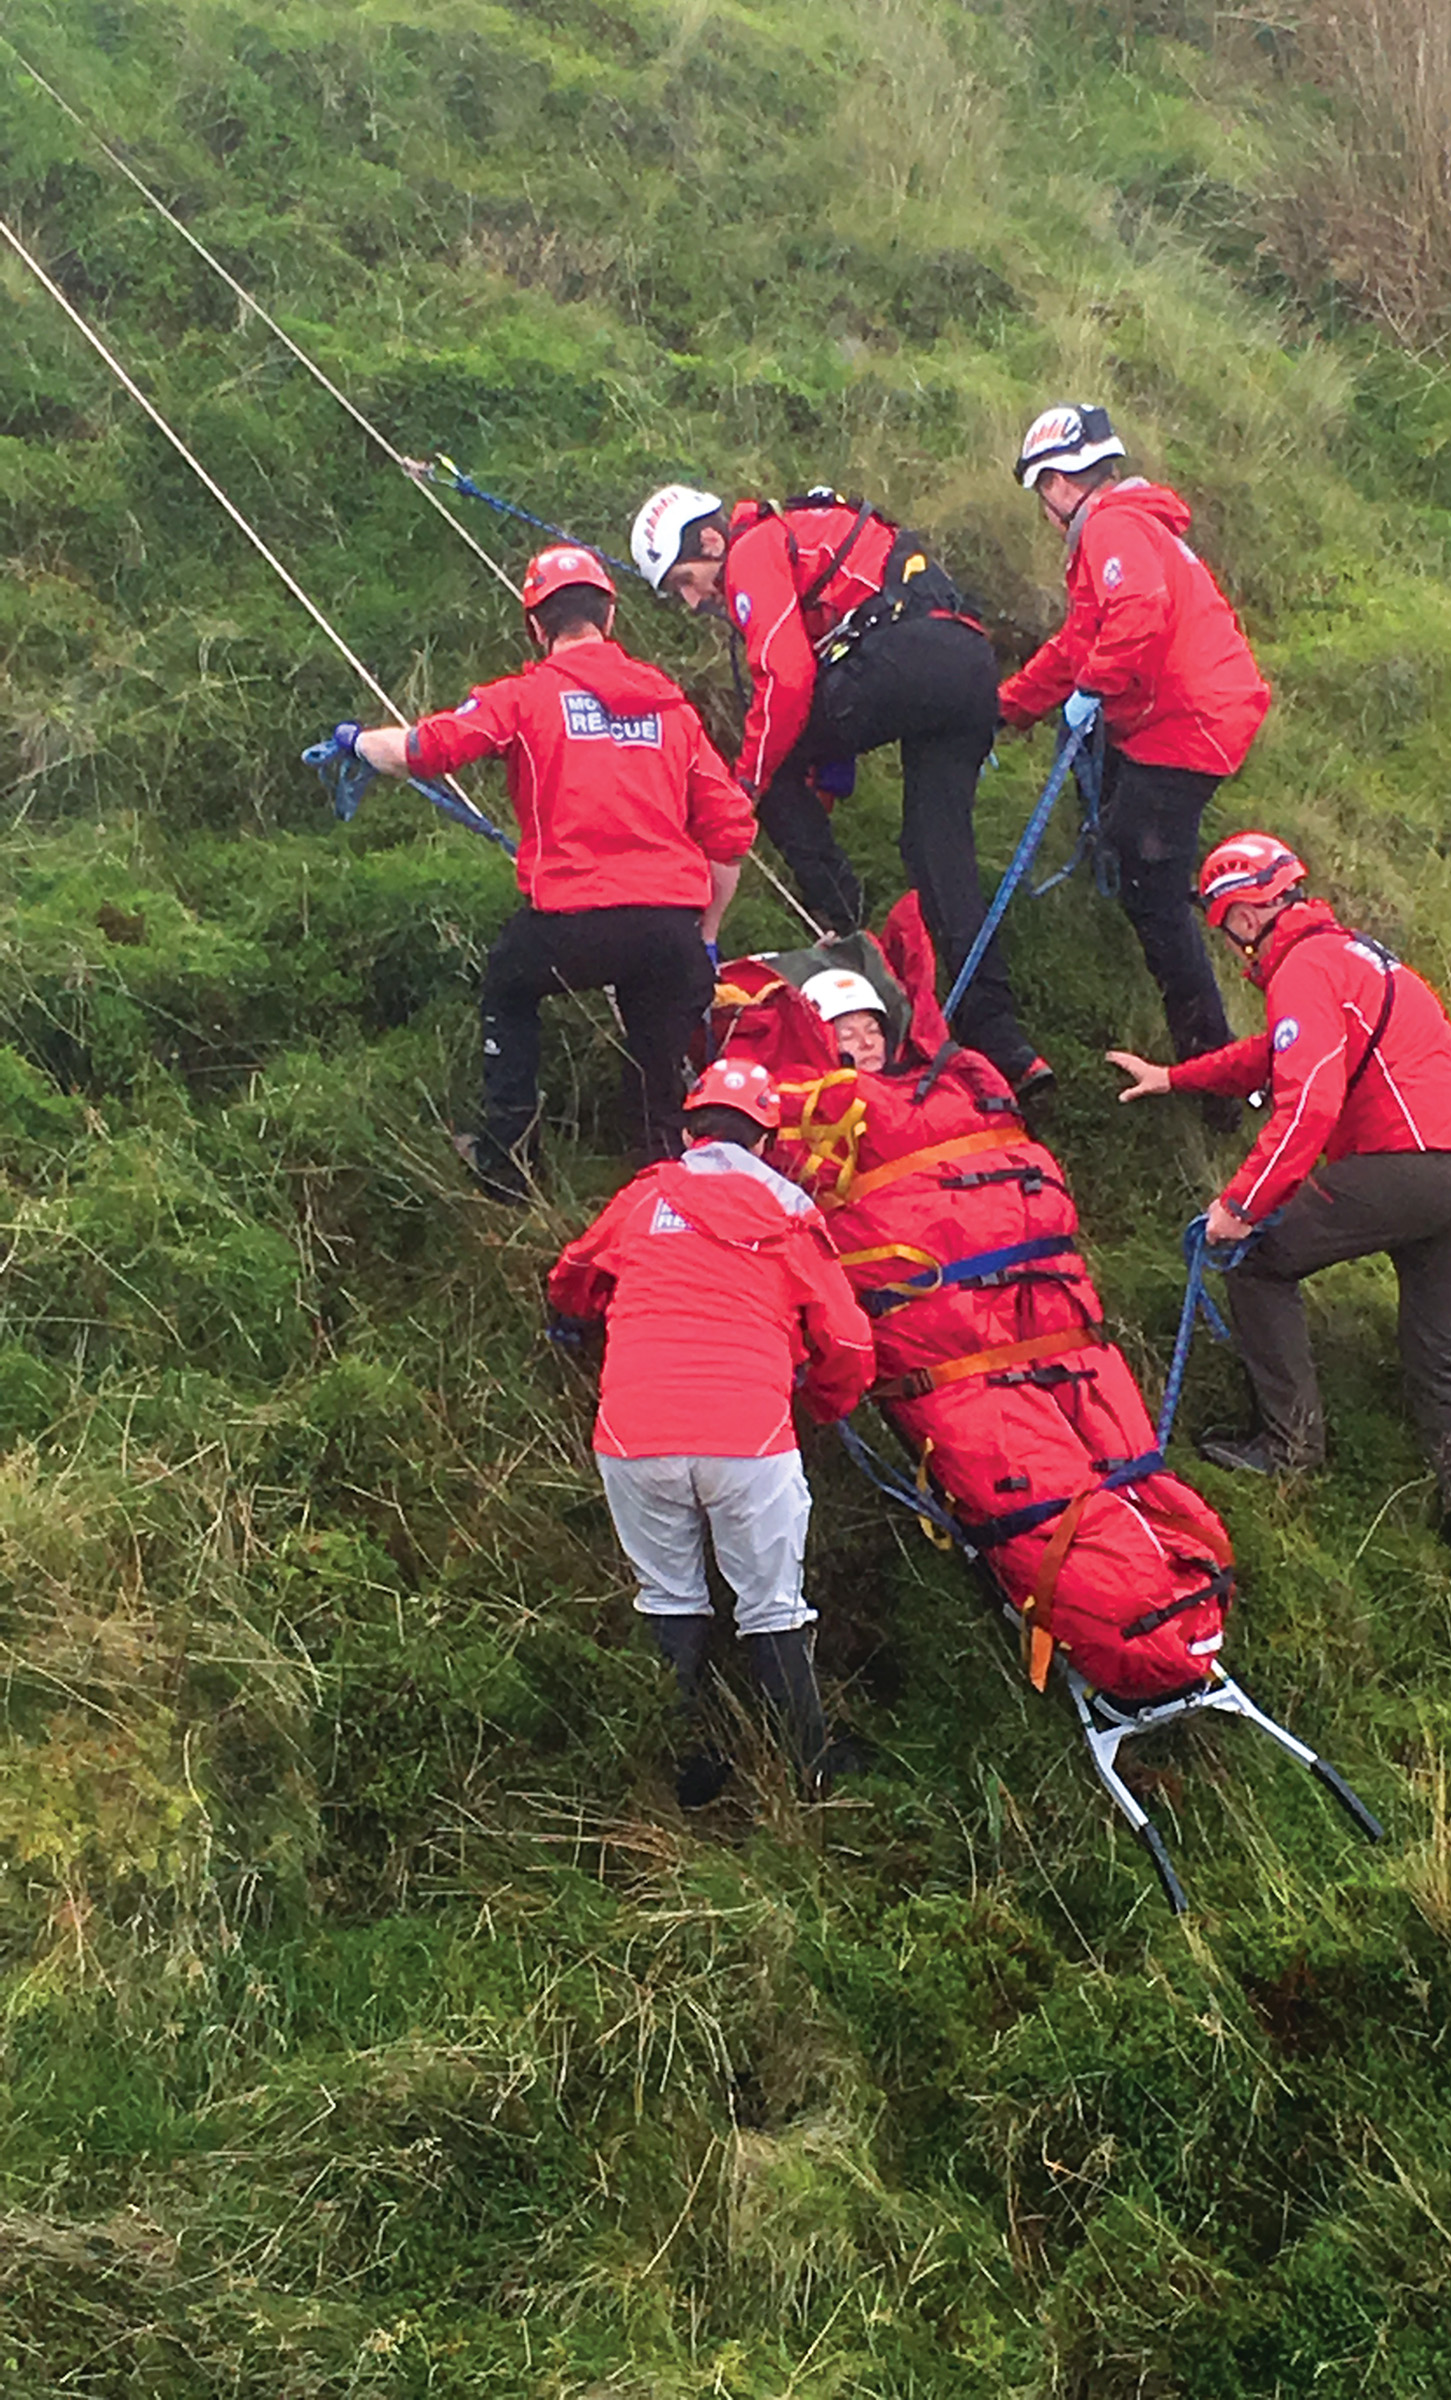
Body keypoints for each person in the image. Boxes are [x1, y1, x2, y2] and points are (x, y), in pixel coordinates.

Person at [1107, 831, 1451, 1604]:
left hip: (1408, 1163)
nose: (1229, 938)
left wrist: (1241, 1206)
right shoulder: (1354, 955)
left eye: (1225, 919)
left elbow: (1308, 1099)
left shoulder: (1303, 968)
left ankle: (1290, 1448)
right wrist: (1175, 1078)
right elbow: (1275, 1058)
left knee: (1259, 1262)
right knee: (1445, 1361)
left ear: (1249, 910)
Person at [342, 544, 753, 1196]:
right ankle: (661, 1189)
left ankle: (507, 1159)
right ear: (609, 615)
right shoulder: (671, 708)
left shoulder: (526, 697)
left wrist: (357, 743)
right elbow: (731, 831)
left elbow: (426, 748)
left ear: (535, 625)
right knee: (656, 1066)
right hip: (668, 926)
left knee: (510, 983)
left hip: (572, 922)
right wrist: (704, 935)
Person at [629, 481, 1049, 1099]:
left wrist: (747, 781)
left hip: (902, 657)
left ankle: (840, 917)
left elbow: (787, 678)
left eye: (685, 581)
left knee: (769, 762)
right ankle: (1003, 1043)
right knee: (938, 856)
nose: (692, 602)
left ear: (712, 540)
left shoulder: (751, 551)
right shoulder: (798, 533)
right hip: (967, 664)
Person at [546, 1056, 876, 1801]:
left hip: (633, 1436)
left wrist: (575, 1314)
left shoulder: (643, 1199)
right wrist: (825, 1405)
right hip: (750, 1442)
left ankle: (686, 1772)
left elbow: (572, 1273)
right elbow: (850, 1345)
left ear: (691, 1129)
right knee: (772, 1605)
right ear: (764, 1139)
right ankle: (810, 1766)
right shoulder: (792, 1217)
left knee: (667, 1598)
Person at [999, 405, 1271, 1120]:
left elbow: (1137, 616)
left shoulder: (1113, 528)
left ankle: (1215, 1071)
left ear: (1057, 483)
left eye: (1042, 495)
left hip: (1187, 726)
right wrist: (1014, 705)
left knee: (1150, 890)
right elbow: (1077, 641)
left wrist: (1091, 689)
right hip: (1186, 717)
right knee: (1132, 839)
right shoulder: (1126, 527)